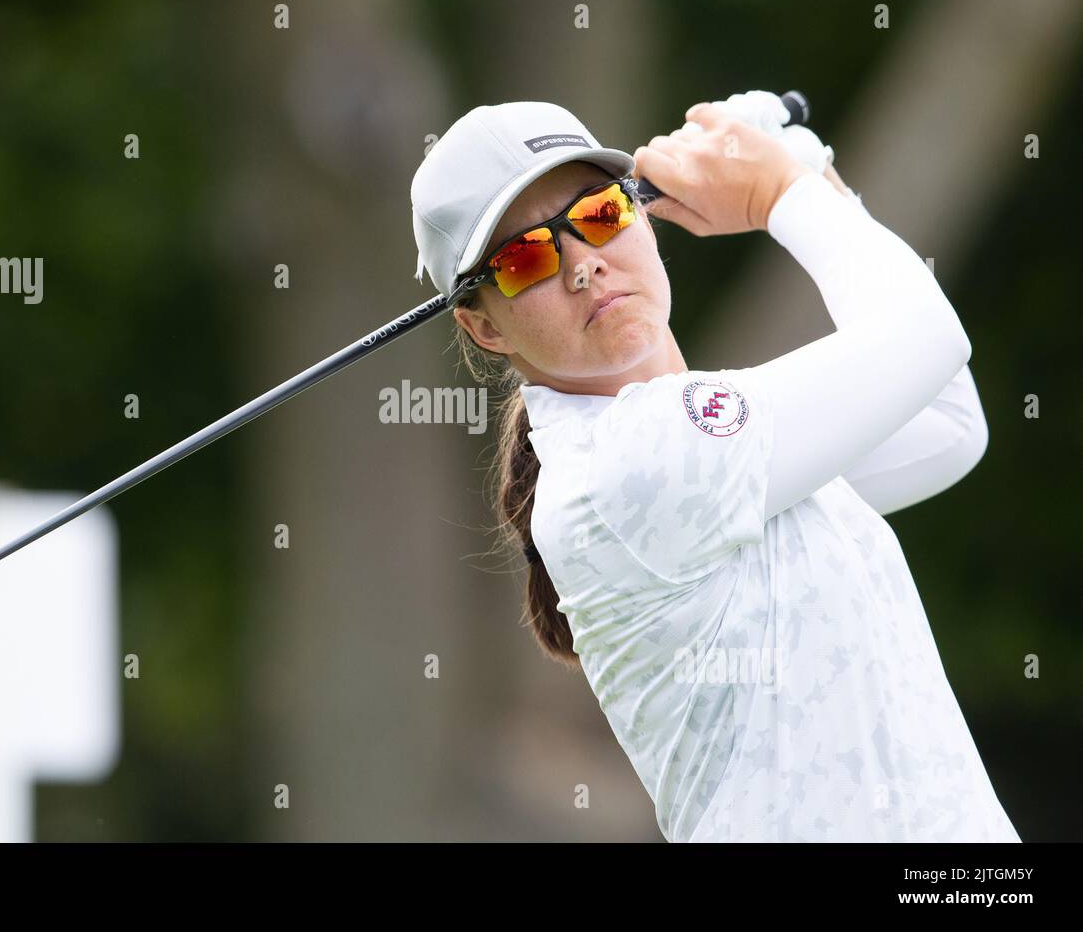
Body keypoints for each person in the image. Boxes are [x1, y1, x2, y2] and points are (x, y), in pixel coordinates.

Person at [409, 95, 1020, 842]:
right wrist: (778, 191)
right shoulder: (630, 466)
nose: (582, 265)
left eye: (600, 213)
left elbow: (949, 425)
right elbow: (925, 339)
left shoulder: (722, 443)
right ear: (481, 325)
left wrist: (812, 174)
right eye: (524, 258)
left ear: (637, 214)